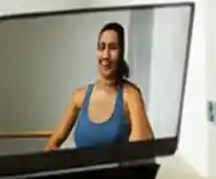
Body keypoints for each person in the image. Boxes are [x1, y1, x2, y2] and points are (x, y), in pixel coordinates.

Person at [43, 21, 154, 151]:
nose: (106, 55)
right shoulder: (79, 97)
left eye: (113, 48)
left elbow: (141, 151)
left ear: (121, 52)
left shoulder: (131, 96)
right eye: (102, 47)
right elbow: (51, 147)